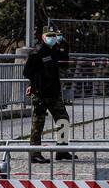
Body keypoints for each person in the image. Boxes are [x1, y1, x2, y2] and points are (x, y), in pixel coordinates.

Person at [24, 27, 74, 163]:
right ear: (43, 37)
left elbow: (65, 61)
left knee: (63, 119)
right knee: (38, 123)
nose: (53, 38)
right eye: (50, 35)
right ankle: (35, 154)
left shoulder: (55, 51)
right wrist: (35, 83)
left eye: (55, 36)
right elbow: (27, 72)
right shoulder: (37, 52)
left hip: (54, 92)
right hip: (40, 93)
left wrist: (64, 44)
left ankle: (62, 150)